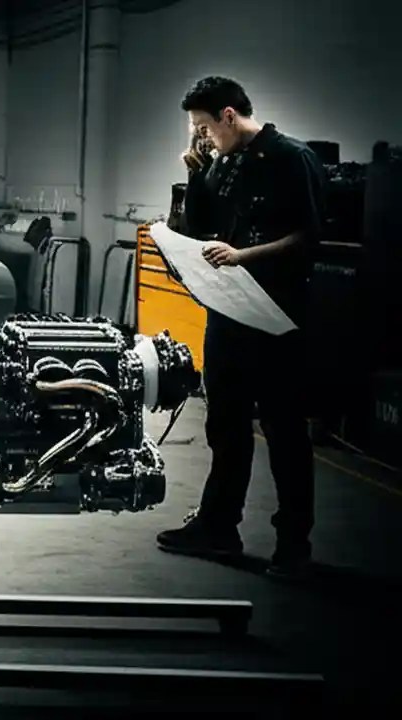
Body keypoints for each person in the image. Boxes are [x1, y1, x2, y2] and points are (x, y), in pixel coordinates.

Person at [155, 76, 327, 580]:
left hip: (276, 317)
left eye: (205, 129)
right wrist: (195, 173)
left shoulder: (292, 159)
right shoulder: (222, 165)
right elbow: (199, 228)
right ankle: (218, 527)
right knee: (225, 425)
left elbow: (308, 237)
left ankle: (294, 546)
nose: (203, 138)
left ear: (229, 116)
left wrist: (242, 257)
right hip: (228, 314)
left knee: (285, 430)